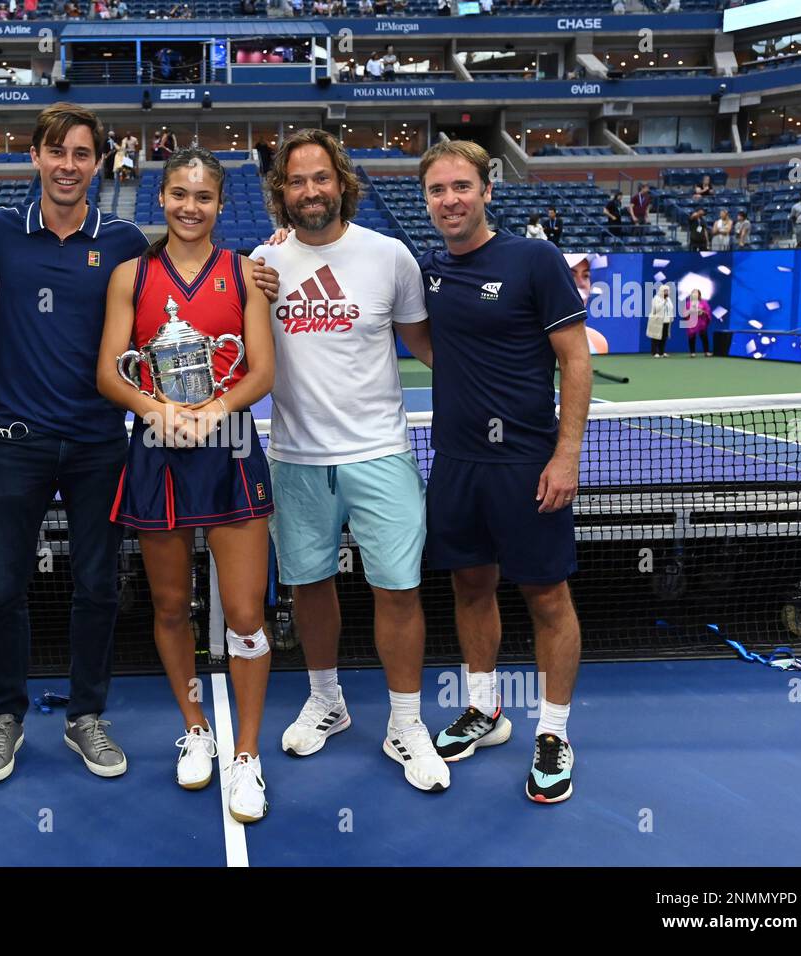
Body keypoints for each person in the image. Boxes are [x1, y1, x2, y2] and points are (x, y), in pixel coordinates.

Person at [0, 103, 280, 786]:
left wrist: (212, 403)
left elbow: (244, 352)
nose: (68, 166)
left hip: (112, 446)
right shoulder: (1, 235)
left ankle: (101, 718)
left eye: (82, 154)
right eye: (57, 152)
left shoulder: (129, 246)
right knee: (3, 590)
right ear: (36, 158)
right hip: (34, 440)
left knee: (110, 589)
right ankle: (12, 716)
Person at [252, 130, 447, 792]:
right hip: (296, 459)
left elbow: (427, 345)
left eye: (321, 178)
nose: (311, 191)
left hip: (380, 454)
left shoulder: (390, 257)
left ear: (342, 182)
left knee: (399, 590)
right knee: (310, 586)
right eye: (297, 181)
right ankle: (327, 701)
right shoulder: (264, 260)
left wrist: (512, 374)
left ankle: (405, 723)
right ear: (281, 192)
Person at [97, 146, 276, 822]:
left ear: (220, 205)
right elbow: (111, 371)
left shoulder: (245, 274)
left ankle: (248, 755)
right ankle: (196, 727)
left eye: (203, 197)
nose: (190, 206)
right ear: (161, 197)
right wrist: (158, 410)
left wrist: (213, 414)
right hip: (156, 450)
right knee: (171, 607)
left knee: (247, 615)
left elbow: (261, 371)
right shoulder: (129, 276)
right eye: (178, 194)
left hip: (229, 450)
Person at [416, 139, 591, 804]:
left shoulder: (535, 260)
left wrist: (566, 453)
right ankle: (485, 709)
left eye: (462, 186)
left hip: (526, 462)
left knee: (547, 599)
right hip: (457, 462)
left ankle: (553, 732)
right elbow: (424, 339)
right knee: (470, 586)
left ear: (488, 191)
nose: (451, 200)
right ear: (425, 199)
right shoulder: (428, 269)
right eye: (438, 190)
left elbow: (575, 360)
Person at [681, 288, 712, 356]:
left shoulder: (704, 302)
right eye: (693, 293)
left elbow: (708, 311)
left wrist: (703, 312)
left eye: (696, 293)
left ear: (699, 294)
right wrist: (689, 312)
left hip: (701, 322)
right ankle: (692, 352)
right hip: (692, 321)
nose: (695, 294)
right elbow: (684, 313)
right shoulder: (688, 303)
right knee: (691, 337)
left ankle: (706, 352)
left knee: (704, 337)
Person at [646, 283, 673, 357]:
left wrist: (671, 317)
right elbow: (655, 309)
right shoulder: (656, 298)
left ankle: (662, 352)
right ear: (661, 291)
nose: (666, 292)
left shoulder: (668, 299)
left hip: (666, 320)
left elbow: (671, 308)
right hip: (657, 321)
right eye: (665, 291)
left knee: (664, 337)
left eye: (667, 291)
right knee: (655, 337)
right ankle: (654, 352)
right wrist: (663, 302)